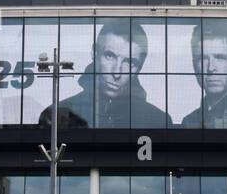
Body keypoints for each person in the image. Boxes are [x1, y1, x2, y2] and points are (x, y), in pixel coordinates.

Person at [38, 18, 171, 128]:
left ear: (139, 68)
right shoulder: (57, 114)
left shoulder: (158, 120)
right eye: (110, 56)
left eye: (129, 62)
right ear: (94, 53)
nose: (117, 72)